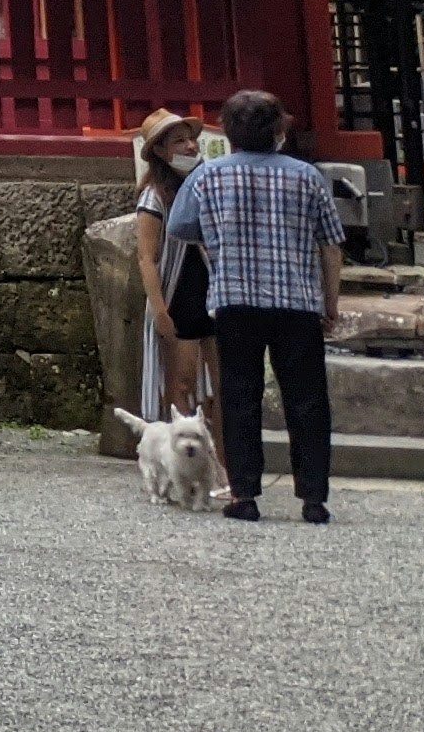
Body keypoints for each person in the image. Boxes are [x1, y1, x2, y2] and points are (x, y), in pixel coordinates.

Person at [164, 86, 346, 523]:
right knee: (306, 399)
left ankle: (244, 494)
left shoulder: (207, 176)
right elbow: (331, 245)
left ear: (227, 132)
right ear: (279, 130)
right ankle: (314, 497)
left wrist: (222, 235)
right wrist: (330, 303)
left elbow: (180, 227)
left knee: (239, 396)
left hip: (235, 300)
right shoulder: (307, 176)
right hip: (297, 301)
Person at [129, 109, 214, 439]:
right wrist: (160, 311)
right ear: (161, 152)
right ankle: (178, 457)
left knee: (217, 388)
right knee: (182, 382)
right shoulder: (155, 196)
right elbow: (146, 258)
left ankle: (219, 463)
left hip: (210, 287)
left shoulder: (207, 185)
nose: (191, 147)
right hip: (176, 291)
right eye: (179, 141)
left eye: (191, 139)